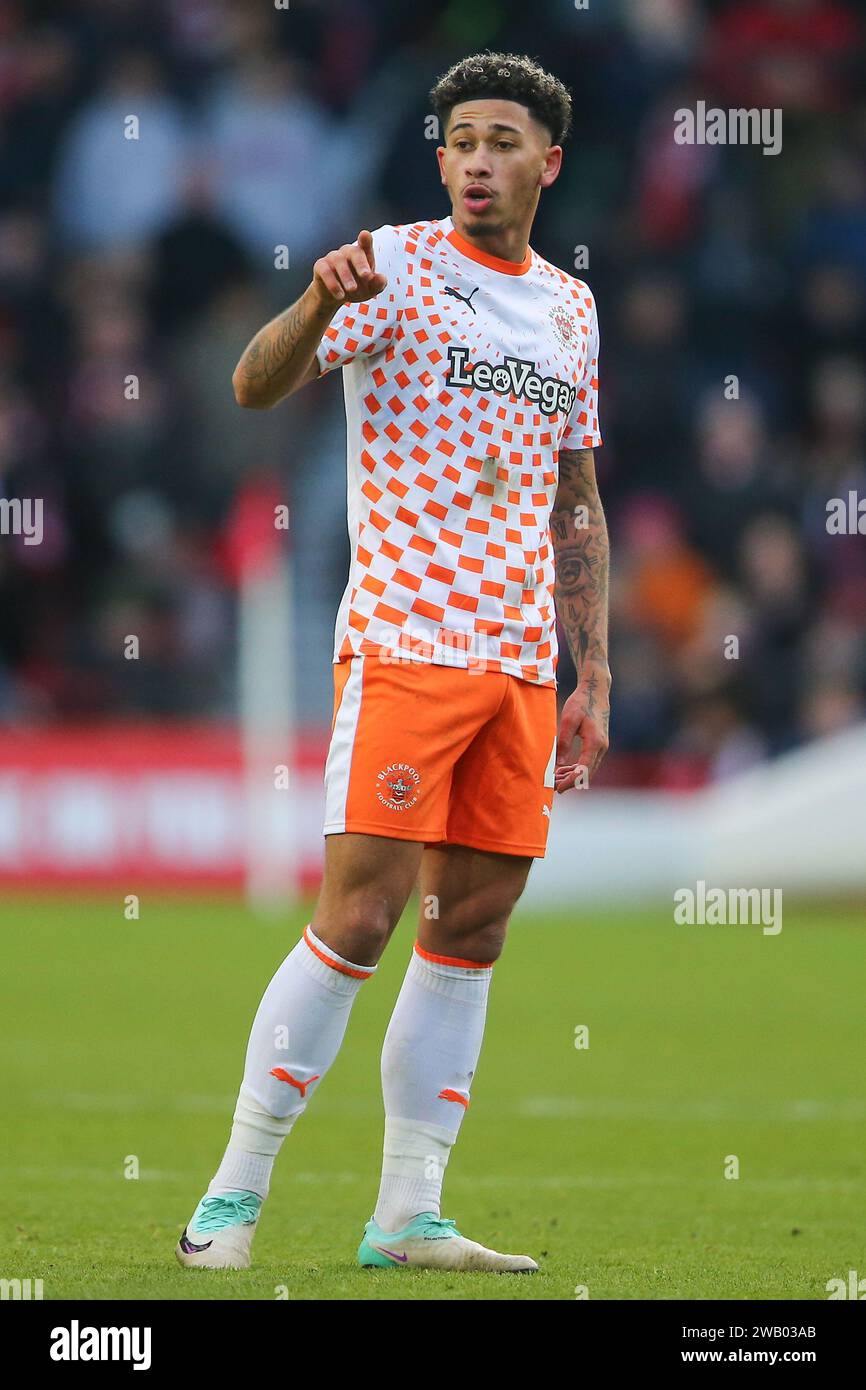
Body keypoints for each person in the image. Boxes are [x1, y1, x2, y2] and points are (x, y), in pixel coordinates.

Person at [176, 51, 611, 1275]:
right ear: (440, 159)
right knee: (358, 914)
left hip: (523, 660)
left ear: (547, 164)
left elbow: (575, 500)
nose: (476, 159)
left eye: (500, 141)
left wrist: (596, 672)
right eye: (459, 140)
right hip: (406, 643)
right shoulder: (394, 266)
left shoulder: (570, 309)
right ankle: (233, 1191)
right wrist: (315, 303)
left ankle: (406, 1212)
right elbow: (253, 386)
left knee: (470, 927)